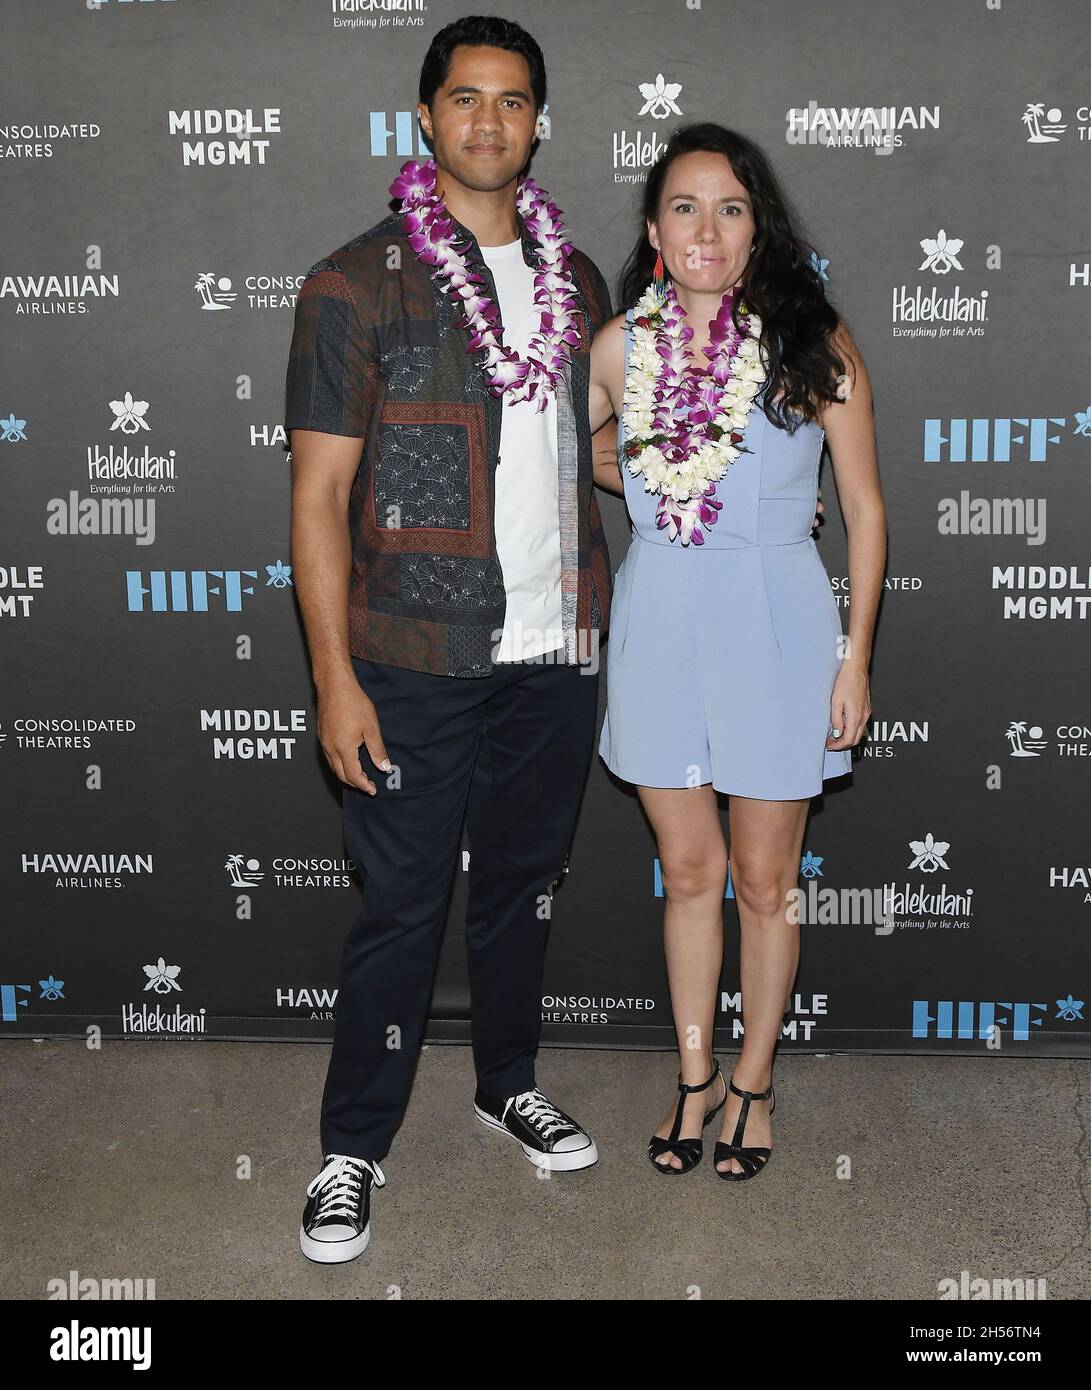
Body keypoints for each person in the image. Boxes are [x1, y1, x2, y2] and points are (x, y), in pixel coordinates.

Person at [284, 15, 615, 1262]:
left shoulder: (577, 282)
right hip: (410, 657)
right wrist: (331, 681)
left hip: (555, 644)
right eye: (464, 98)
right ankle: (350, 1150)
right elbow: (317, 499)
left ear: (538, 123)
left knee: (523, 891)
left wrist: (705, 479)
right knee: (402, 907)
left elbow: (578, 450)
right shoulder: (352, 282)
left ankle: (505, 1083)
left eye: (513, 100)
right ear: (422, 118)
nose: (488, 120)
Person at [587, 123, 886, 1181]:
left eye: (727, 207)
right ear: (652, 231)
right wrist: (662, 484)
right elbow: (589, 453)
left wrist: (851, 661)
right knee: (685, 871)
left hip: (778, 625)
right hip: (661, 619)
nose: (704, 228)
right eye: (682, 207)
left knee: (762, 880)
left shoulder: (814, 345)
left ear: (757, 229)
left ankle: (753, 1080)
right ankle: (693, 1073)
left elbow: (860, 506)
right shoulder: (618, 348)